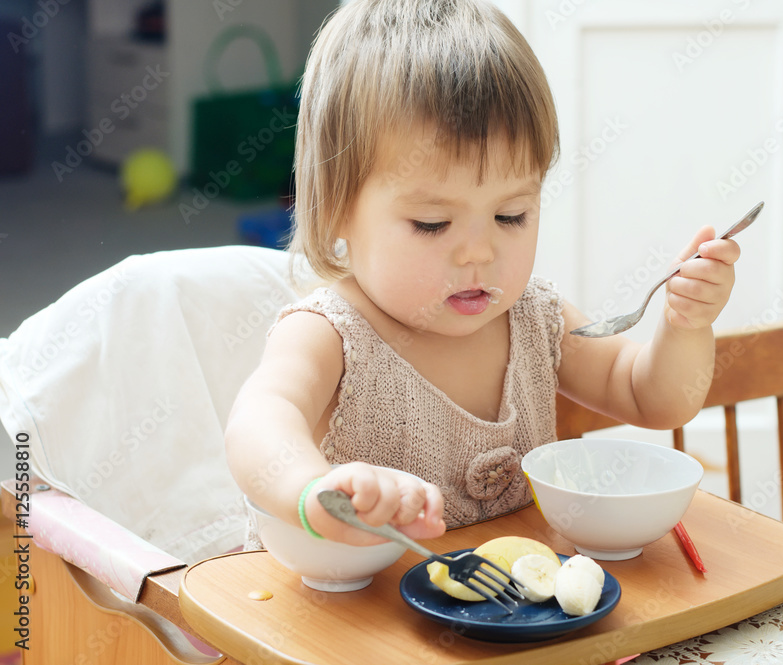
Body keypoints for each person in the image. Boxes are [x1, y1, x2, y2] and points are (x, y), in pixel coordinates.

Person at [225, 0, 741, 548]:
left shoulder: (534, 319)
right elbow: (259, 421)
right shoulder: (331, 334)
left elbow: (653, 399)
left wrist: (685, 325)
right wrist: (315, 493)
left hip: (507, 610)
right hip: (353, 619)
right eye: (432, 223)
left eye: (510, 215)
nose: (478, 253)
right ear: (336, 210)